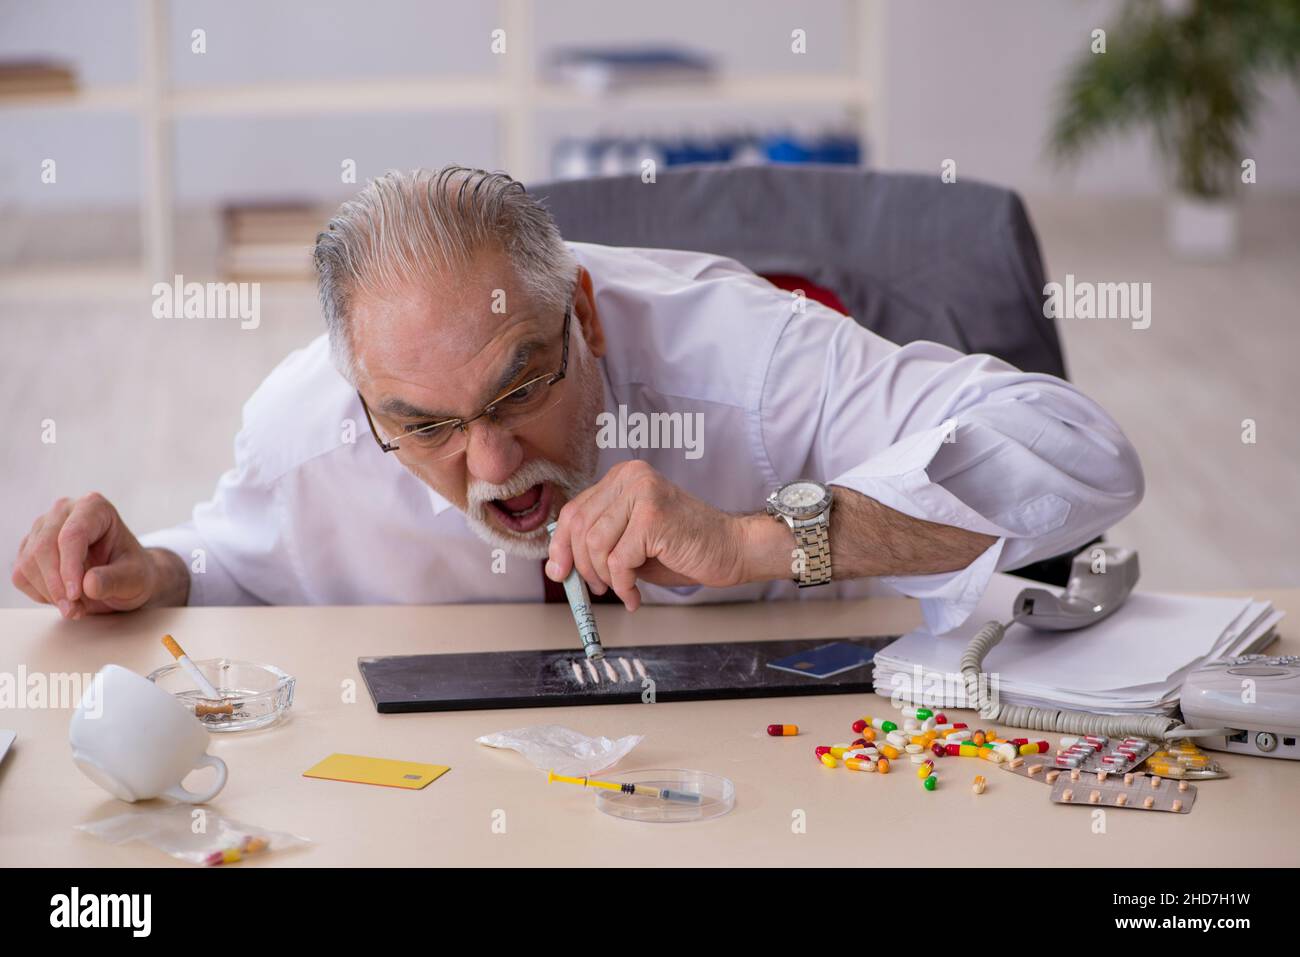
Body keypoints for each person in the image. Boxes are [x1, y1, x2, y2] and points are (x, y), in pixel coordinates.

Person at [11, 166, 1143, 633]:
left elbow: (1081, 455)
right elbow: (242, 564)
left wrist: (760, 540)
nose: (494, 465)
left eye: (522, 388)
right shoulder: (311, 425)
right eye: (424, 427)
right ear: (366, 399)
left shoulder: (743, 357)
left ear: (587, 320)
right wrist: (149, 573)